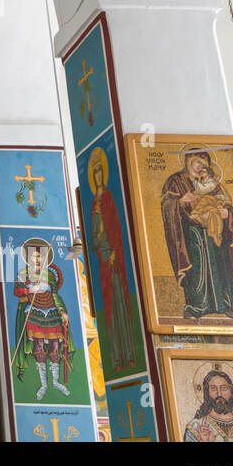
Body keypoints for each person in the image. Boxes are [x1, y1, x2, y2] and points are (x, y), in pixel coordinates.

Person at [160, 150, 233, 320]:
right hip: (191, 232)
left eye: (204, 164)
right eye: (197, 162)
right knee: (198, 268)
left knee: (220, 266)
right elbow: (167, 205)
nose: (200, 167)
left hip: (214, 230)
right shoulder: (176, 181)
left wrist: (227, 213)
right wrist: (181, 201)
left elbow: (227, 203)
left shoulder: (213, 183)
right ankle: (196, 306)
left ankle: (225, 303)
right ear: (188, 162)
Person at [87, 149, 138, 371]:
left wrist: (116, 250)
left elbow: (117, 229)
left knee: (121, 306)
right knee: (108, 310)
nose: (98, 176)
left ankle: (130, 353)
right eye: (95, 173)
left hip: (116, 260)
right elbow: (94, 241)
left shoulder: (108, 197)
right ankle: (116, 358)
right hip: (104, 263)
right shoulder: (93, 206)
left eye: (100, 172)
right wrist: (97, 221)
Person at [12, 238, 72, 401]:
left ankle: (56, 382)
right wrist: (30, 289)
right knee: (38, 347)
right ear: (29, 258)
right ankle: (44, 384)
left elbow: (54, 294)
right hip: (34, 312)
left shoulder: (49, 274)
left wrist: (61, 311)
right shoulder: (22, 273)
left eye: (39, 257)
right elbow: (17, 291)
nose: (36, 259)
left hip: (51, 312)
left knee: (55, 347)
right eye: (33, 256)